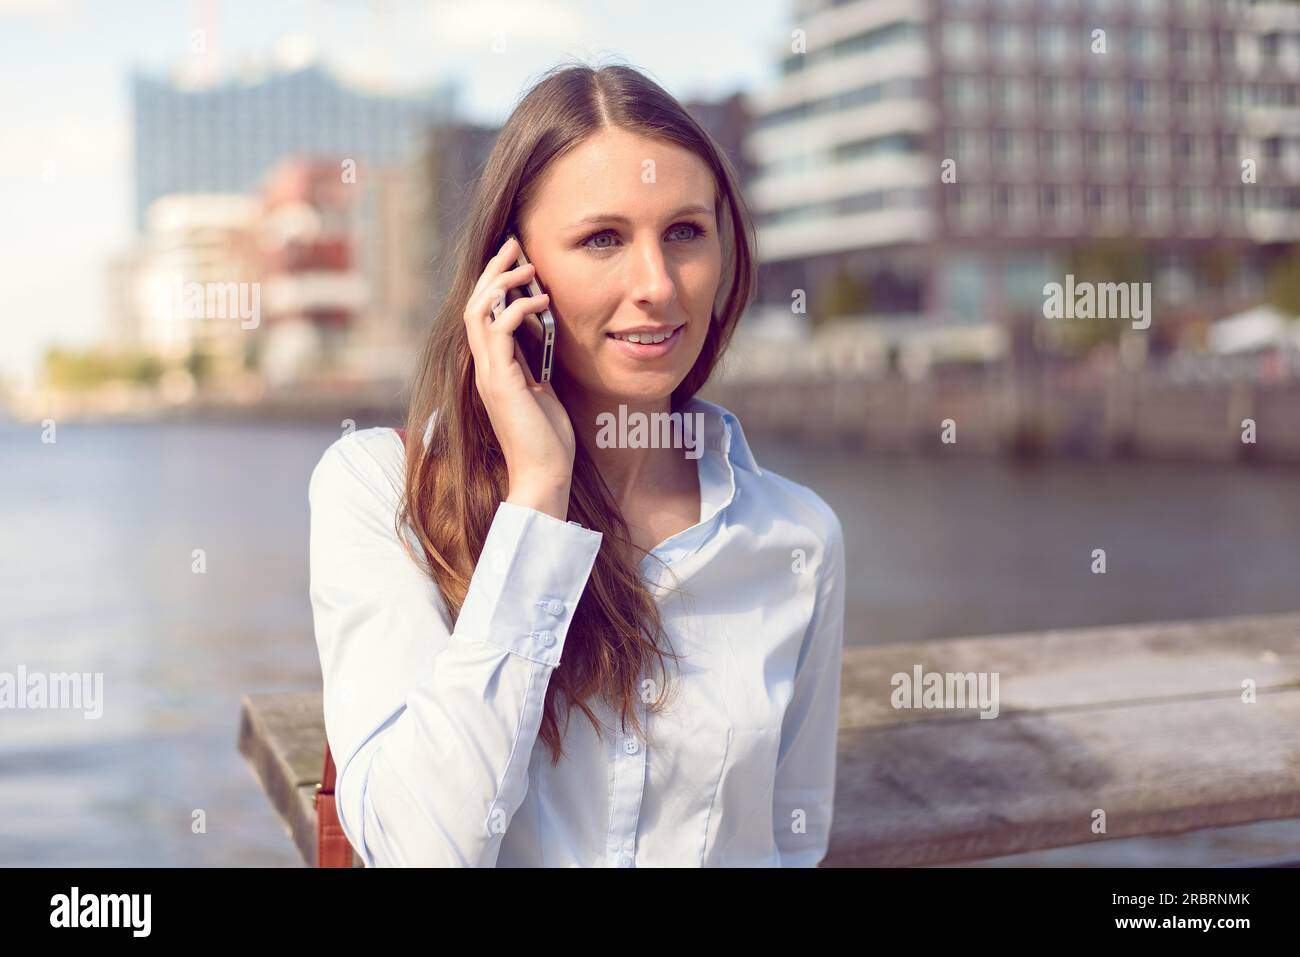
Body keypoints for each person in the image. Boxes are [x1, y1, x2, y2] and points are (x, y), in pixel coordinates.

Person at [308, 62, 845, 867]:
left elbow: (790, 844)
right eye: (604, 239)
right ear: (513, 274)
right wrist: (536, 499)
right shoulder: (380, 492)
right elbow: (420, 850)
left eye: (686, 233)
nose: (658, 286)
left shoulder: (799, 539)